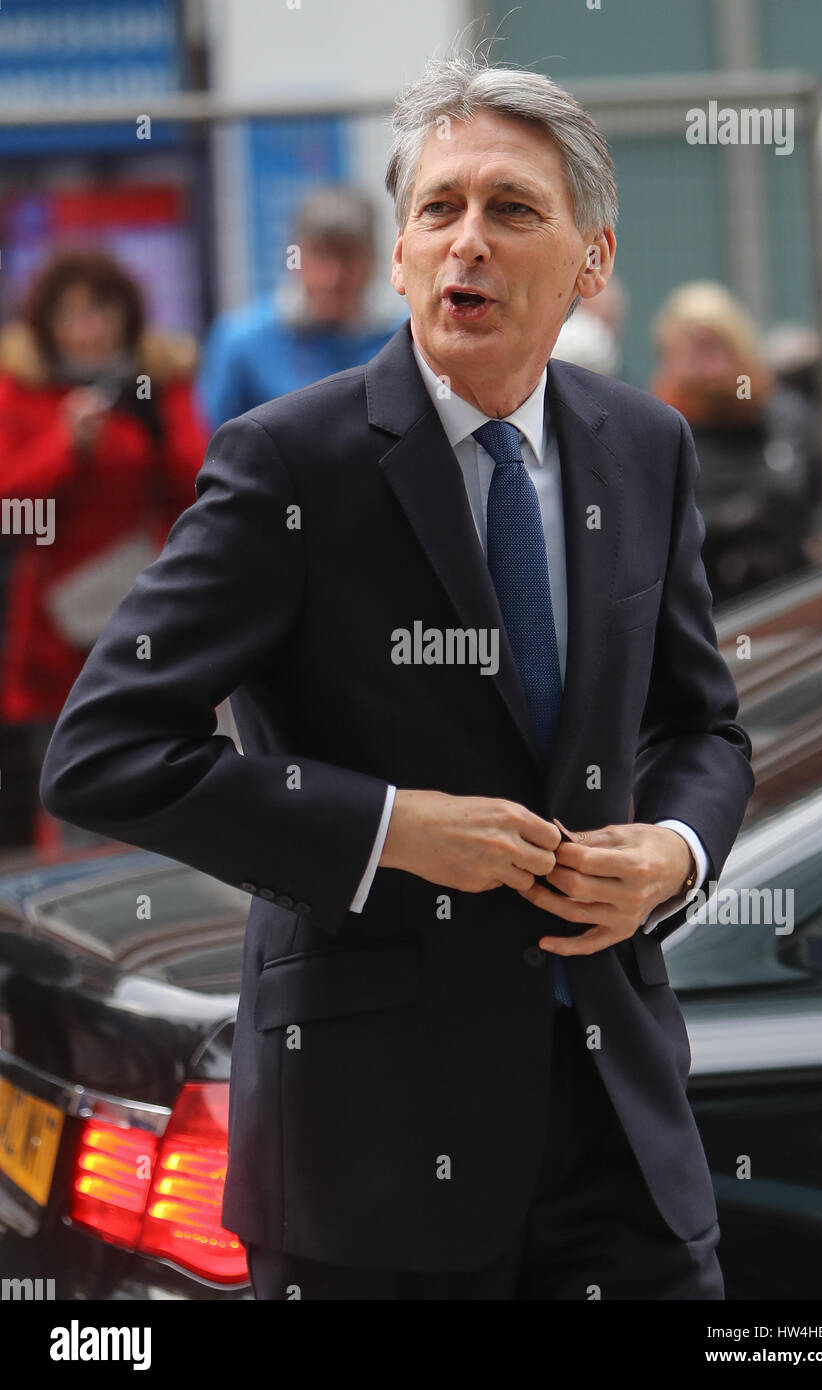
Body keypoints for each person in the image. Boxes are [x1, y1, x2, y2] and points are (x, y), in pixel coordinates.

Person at [39, 48, 754, 1300]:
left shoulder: (645, 447)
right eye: (439, 209)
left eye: (510, 211)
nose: (466, 242)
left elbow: (700, 726)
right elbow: (103, 751)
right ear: (404, 250)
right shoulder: (286, 463)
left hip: (621, 1140)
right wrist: (387, 829)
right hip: (369, 1160)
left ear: (589, 261)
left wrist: (673, 856)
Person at [0, 248, 208, 847]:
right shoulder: (26, 390)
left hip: (146, 616)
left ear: (127, 315)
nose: (88, 329)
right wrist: (65, 447)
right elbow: (12, 509)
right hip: (54, 634)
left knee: (153, 786)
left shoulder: (157, 381)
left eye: (102, 311)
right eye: (71, 315)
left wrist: (156, 433)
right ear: (47, 324)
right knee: (69, 794)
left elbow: (204, 494)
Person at [649, 281, 822, 605]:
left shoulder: (783, 417)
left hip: (790, 598)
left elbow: (813, 502)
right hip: (704, 608)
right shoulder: (656, 428)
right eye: (684, 350)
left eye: (709, 346)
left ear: (738, 345)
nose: (699, 364)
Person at [198, 184, 405, 429]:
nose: (333, 278)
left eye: (348, 258)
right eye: (321, 256)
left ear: (374, 260)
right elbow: (218, 446)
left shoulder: (402, 340)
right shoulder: (242, 343)